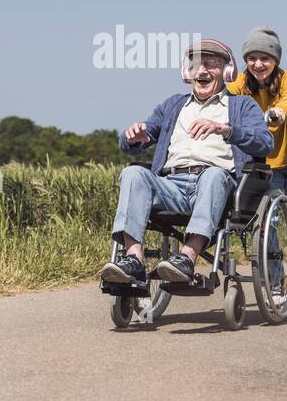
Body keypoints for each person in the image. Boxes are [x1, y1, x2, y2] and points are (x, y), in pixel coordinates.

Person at [101, 39, 273, 285]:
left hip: (215, 185)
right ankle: (133, 260)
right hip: (172, 184)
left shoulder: (242, 105)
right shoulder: (173, 105)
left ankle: (187, 258)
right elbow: (132, 141)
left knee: (214, 174)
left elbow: (265, 142)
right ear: (187, 72)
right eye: (196, 65)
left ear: (227, 71)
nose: (202, 71)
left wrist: (225, 129)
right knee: (133, 173)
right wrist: (131, 137)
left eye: (211, 65)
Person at [227, 27, 287, 303]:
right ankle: (275, 283)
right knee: (267, 224)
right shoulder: (240, 84)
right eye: (252, 58)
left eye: (264, 58)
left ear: (275, 60)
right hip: (267, 165)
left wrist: (279, 112)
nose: (258, 64)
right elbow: (222, 98)